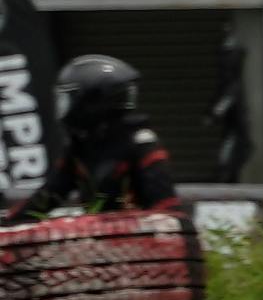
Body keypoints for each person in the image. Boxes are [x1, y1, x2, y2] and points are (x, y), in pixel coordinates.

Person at [1, 53, 179, 225]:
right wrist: (8, 223)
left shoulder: (141, 144)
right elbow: (49, 196)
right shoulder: (81, 147)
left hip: (139, 238)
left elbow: (166, 210)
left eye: (68, 98)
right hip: (99, 237)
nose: (63, 107)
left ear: (92, 102)